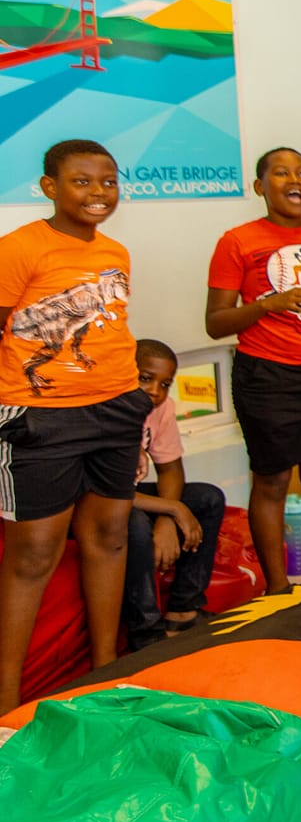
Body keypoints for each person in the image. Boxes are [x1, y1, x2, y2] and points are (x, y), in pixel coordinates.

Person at [0, 139, 148, 714]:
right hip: (40, 415)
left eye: (108, 182)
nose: (98, 193)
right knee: (33, 552)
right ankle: (8, 701)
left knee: (109, 536)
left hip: (114, 407)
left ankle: (106, 671)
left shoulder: (116, 252)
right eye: (82, 182)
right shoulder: (20, 248)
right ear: (50, 188)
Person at [204, 148, 301, 593]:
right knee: (272, 481)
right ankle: (278, 589)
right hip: (268, 377)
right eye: (282, 173)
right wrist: (268, 304)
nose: (296, 180)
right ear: (260, 187)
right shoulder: (237, 241)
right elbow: (215, 323)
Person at [121, 338, 225, 651]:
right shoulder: (109, 406)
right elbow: (107, 493)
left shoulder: (161, 407)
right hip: (95, 501)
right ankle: (146, 634)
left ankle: (184, 610)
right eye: (145, 378)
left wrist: (168, 517)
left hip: (129, 492)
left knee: (208, 498)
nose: (155, 390)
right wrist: (174, 510)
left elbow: (170, 469)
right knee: (136, 524)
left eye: (165, 384)